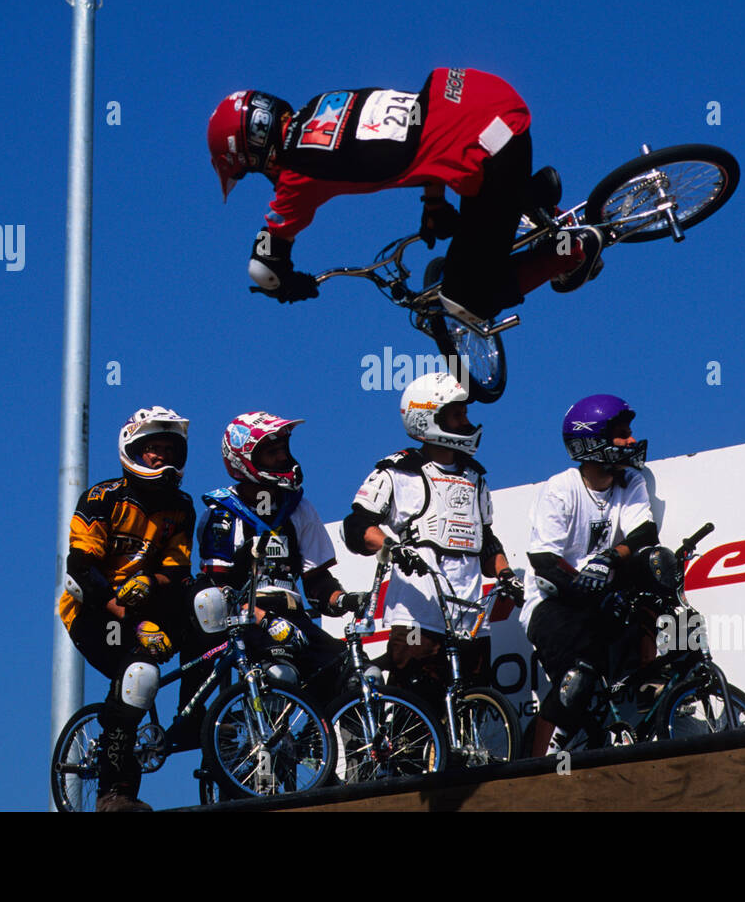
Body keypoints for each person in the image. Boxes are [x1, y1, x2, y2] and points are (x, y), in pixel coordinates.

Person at [206, 68, 604, 324]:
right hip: (484, 97)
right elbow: (412, 134)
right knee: (473, 191)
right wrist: (434, 202)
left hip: (488, 149)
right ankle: (534, 201)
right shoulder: (325, 103)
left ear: (253, 152)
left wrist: (286, 285)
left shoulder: (298, 172)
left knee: (466, 300)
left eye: (250, 169)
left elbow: (264, 268)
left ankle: (574, 251)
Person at [341, 372, 522, 713]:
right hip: (417, 613)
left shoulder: (475, 476)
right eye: (457, 415)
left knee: (472, 701)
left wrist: (506, 575)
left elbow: (487, 544)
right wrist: (391, 549)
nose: (467, 421)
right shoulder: (398, 471)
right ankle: (385, 742)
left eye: (465, 413)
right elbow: (357, 525)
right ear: (428, 418)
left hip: (468, 616)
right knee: (414, 698)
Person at [520, 395, 680, 756]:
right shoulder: (561, 488)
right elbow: (544, 562)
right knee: (576, 682)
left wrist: (609, 558)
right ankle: (532, 768)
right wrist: (582, 585)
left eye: (629, 433)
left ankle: (648, 679)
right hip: (551, 603)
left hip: (601, 596)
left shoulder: (630, 481)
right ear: (592, 441)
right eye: (621, 434)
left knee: (656, 562)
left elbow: (643, 535)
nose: (631, 440)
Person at [58, 406, 196, 811]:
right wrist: (129, 618)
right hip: (93, 609)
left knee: (210, 604)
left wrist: (152, 583)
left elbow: (176, 572)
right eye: (153, 448)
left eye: (170, 449)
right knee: (139, 673)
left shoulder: (181, 507)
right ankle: (113, 793)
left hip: (146, 606)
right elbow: (78, 571)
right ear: (132, 450)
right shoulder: (102, 499)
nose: (162, 457)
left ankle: (196, 718)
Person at [187, 411, 362, 710]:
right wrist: (265, 620)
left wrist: (344, 600)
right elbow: (218, 592)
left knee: (356, 674)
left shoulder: (299, 508)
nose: (284, 458)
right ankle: (269, 753)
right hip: (247, 623)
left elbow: (317, 581)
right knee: (281, 675)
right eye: (272, 452)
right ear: (245, 461)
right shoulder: (222, 513)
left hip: (295, 619)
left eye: (284, 449)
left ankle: (353, 753)